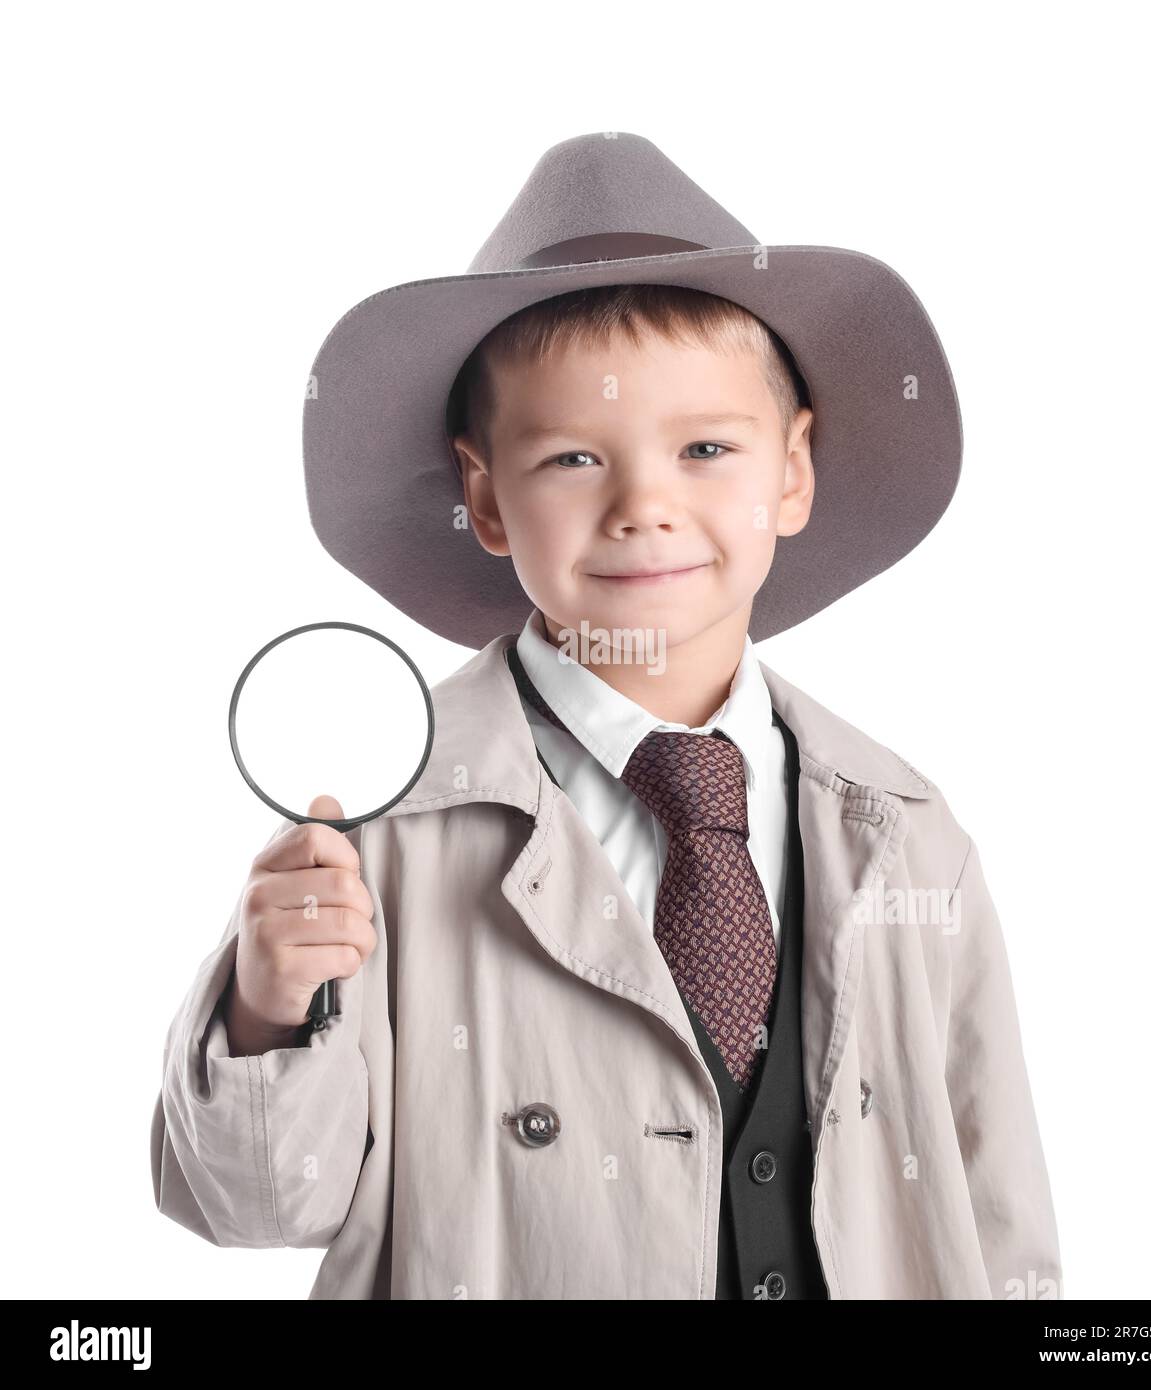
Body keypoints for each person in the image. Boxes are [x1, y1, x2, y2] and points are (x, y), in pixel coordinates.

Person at [151, 131, 1062, 1300]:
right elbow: (259, 1203)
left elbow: (1003, 1211)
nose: (644, 507)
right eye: (576, 456)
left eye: (705, 449)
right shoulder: (382, 835)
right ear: (485, 495)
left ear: (791, 473)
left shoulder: (906, 830)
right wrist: (270, 1008)